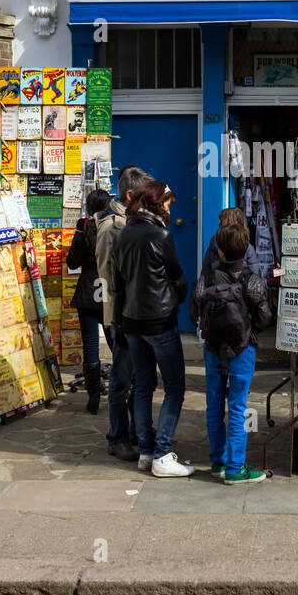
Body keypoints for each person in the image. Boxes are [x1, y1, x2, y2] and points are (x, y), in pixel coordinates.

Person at [112, 180, 192, 478]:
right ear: (158, 203)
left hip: (131, 321)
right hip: (159, 321)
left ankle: (146, 452)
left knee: (143, 386)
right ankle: (161, 453)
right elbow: (177, 276)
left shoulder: (123, 235)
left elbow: (118, 283)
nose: (170, 208)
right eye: (168, 203)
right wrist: (178, 298)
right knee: (174, 387)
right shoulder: (161, 235)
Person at [190, 224, 271, 485]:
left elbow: (196, 310)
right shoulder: (252, 281)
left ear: (220, 251)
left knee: (213, 405)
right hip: (242, 349)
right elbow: (264, 318)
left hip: (213, 349)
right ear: (246, 248)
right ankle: (236, 468)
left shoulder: (208, 279)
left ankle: (218, 462)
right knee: (238, 407)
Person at [95, 164, 152, 462]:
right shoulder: (112, 227)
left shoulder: (129, 222)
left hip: (135, 314)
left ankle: (134, 432)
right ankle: (117, 436)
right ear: (130, 195)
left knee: (136, 378)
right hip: (121, 316)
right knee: (120, 379)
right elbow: (108, 277)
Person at [68, 188, 114, 415]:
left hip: (87, 290)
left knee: (90, 345)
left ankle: (94, 394)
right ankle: (122, 390)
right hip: (107, 290)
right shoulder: (114, 227)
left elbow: (72, 261)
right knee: (116, 343)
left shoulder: (84, 227)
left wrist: (78, 233)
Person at [200, 207, 259, 280]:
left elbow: (203, 278)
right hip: (223, 289)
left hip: (219, 289)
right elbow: (254, 277)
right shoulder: (247, 247)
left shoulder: (247, 248)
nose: (218, 224)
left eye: (221, 222)